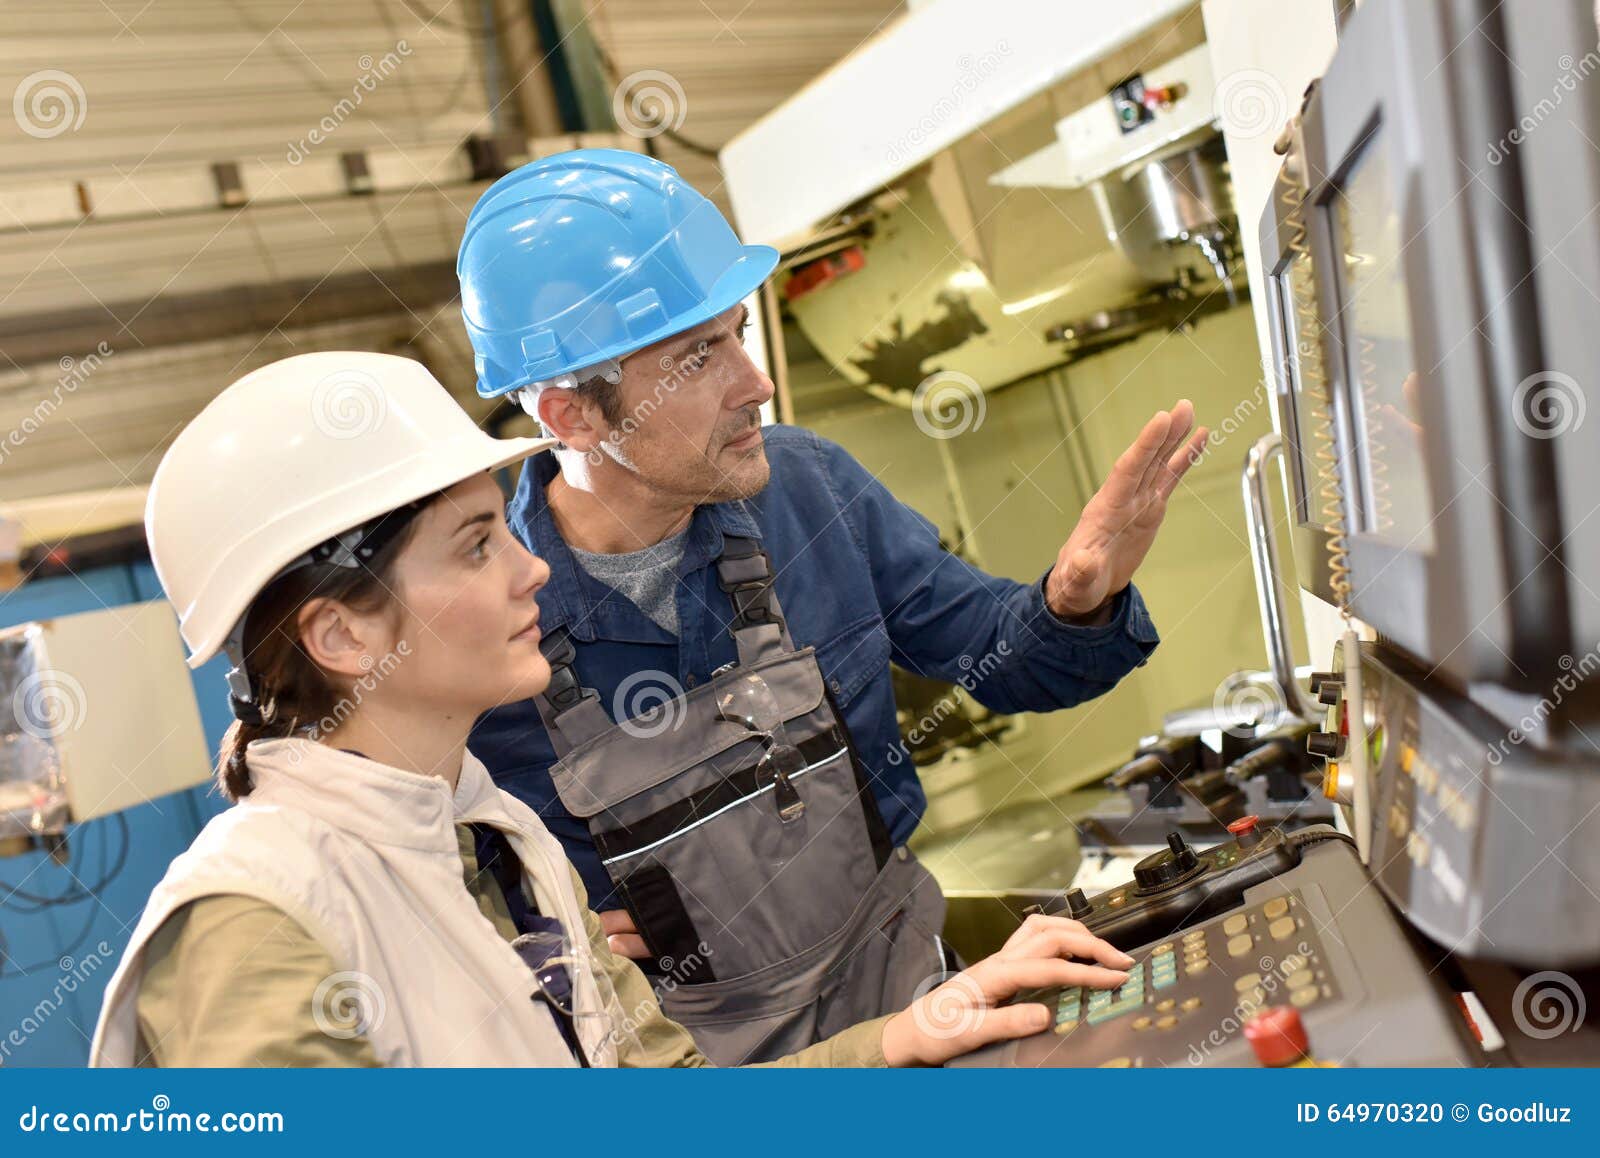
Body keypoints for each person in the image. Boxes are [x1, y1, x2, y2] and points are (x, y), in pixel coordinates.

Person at [89, 351, 1136, 1068]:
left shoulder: (503, 849)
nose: (530, 572)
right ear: (341, 637)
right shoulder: (258, 921)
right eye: (476, 547)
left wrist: (914, 1027)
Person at [459, 149, 1207, 1062]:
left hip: (924, 998)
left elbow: (1006, 662)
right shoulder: (480, 636)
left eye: (738, 333)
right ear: (571, 416)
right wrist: (542, 946)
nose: (756, 382)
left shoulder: (809, 492)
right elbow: (453, 924)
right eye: (699, 356)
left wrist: (1075, 596)